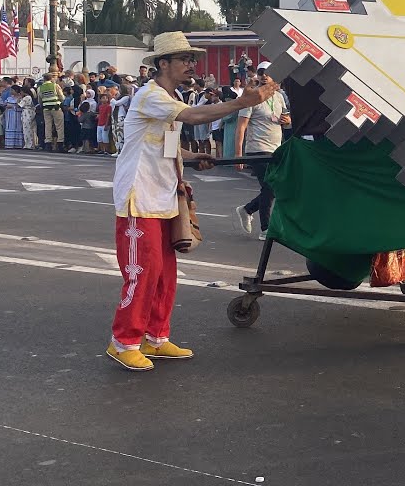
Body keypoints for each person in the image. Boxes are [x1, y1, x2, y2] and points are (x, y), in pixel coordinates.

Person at [107, 32, 278, 371]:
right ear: (163, 63)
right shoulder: (150, 96)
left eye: (192, 59)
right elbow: (194, 117)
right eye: (184, 59)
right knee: (143, 272)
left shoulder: (171, 96)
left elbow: (168, 145)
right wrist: (243, 102)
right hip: (139, 197)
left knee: (165, 272)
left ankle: (156, 336)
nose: (191, 65)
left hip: (165, 195)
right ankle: (123, 341)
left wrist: (194, 156)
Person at [233, 62, 290, 241]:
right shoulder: (251, 96)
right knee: (270, 186)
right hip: (257, 149)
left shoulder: (279, 97)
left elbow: (286, 120)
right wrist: (238, 154)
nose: (264, 76)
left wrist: (287, 121)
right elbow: (241, 126)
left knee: (273, 187)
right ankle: (265, 228)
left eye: (268, 73)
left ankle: (247, 209)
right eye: (261, 72)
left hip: (276, 149)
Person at [37, 72, 65, 151]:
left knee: (48, 126)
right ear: (51, 78)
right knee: (59, 126)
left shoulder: (40, 88)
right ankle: (60, 143)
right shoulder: (55, 86)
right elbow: (61, 97)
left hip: (46, 108)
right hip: (56, 107)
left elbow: (40, 100)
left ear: (44, 79)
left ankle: (48, 143)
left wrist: (43, 105)